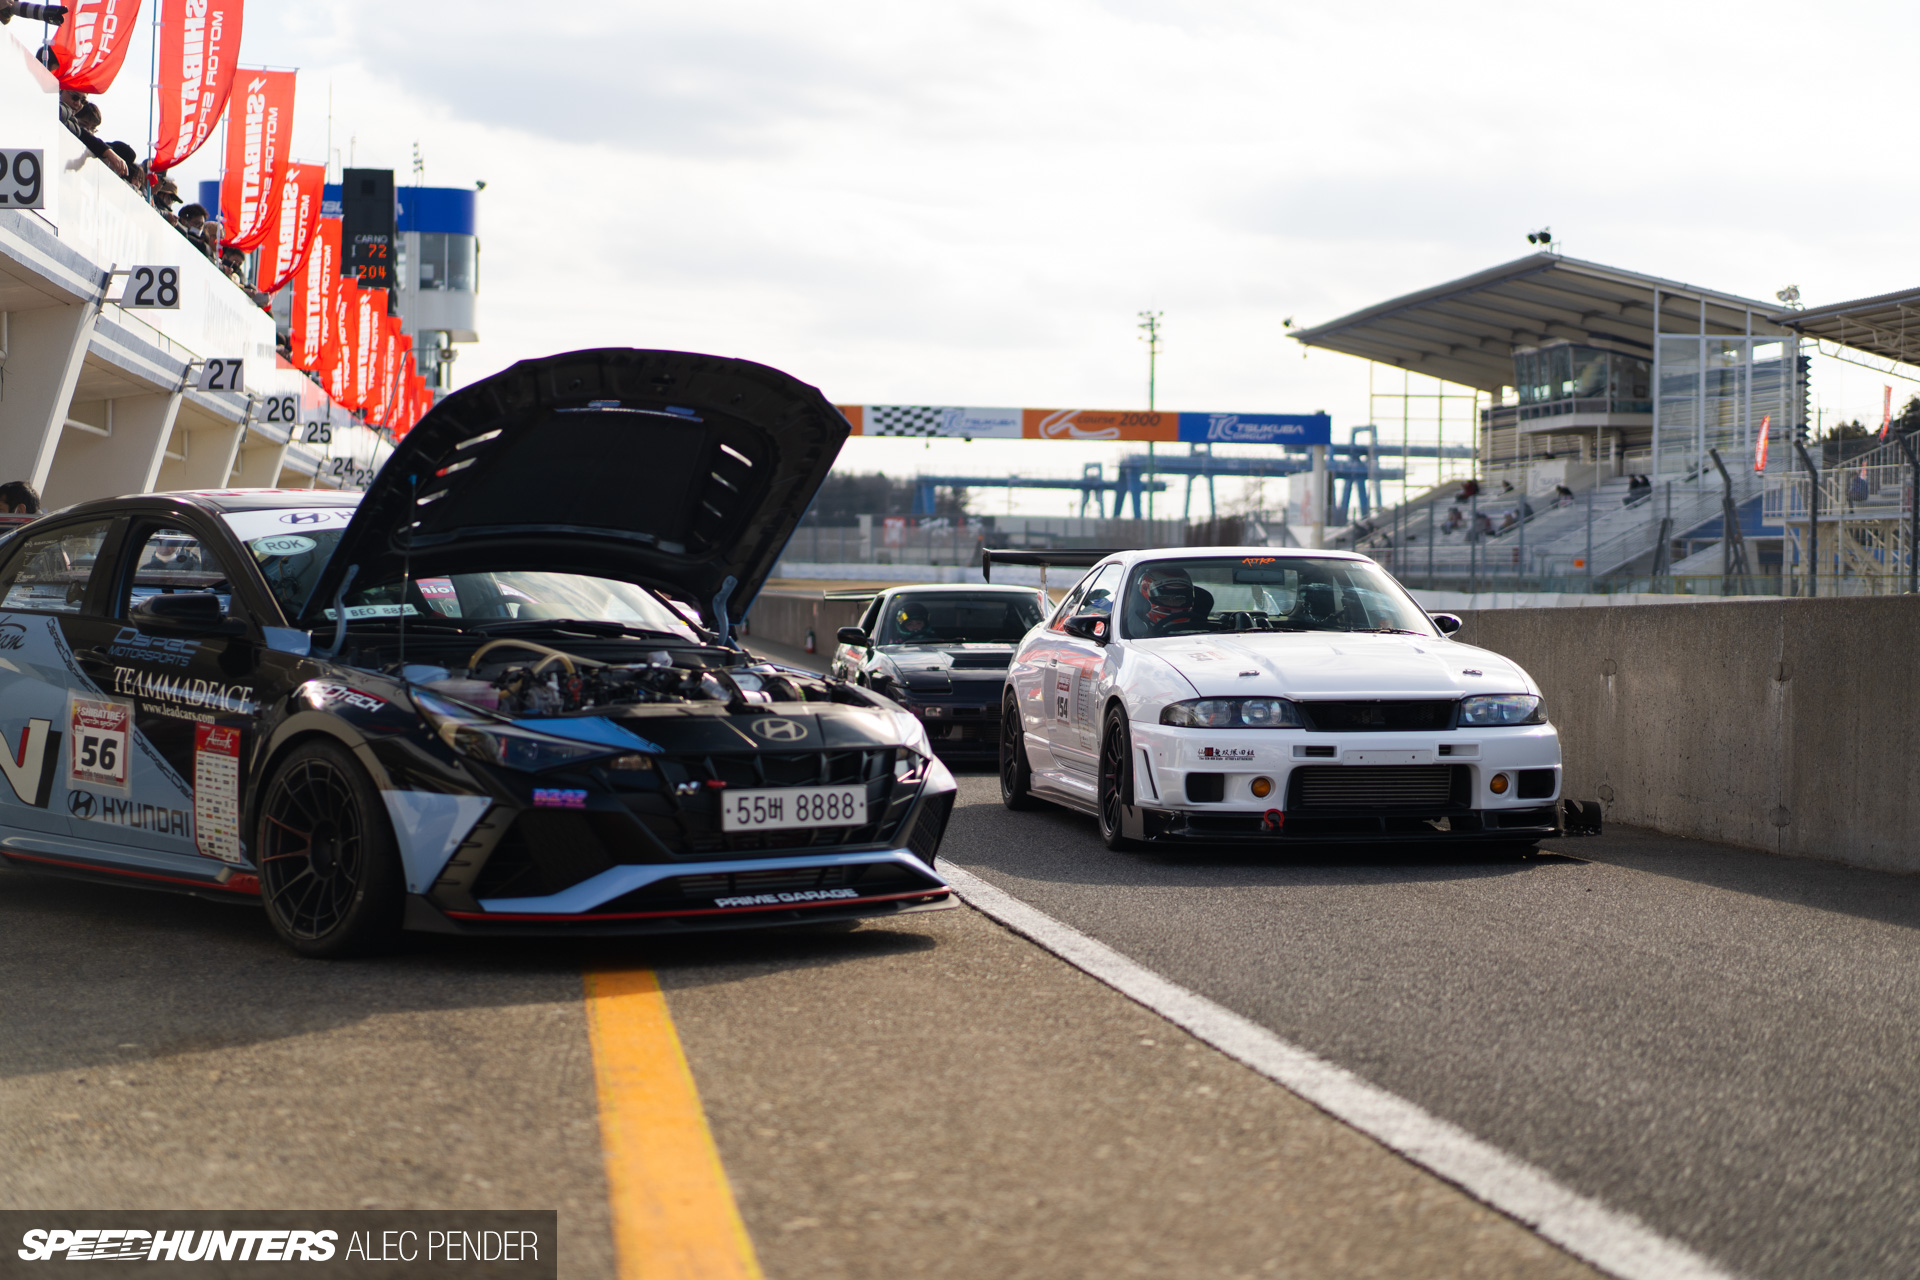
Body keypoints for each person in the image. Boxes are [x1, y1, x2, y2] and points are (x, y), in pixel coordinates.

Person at [1132, 564, 1201, 635]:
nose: (1173, 603)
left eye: (1180, 598)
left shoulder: (1202, 630)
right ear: (1145, 598)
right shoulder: (1133, 631)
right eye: (1165, 598)